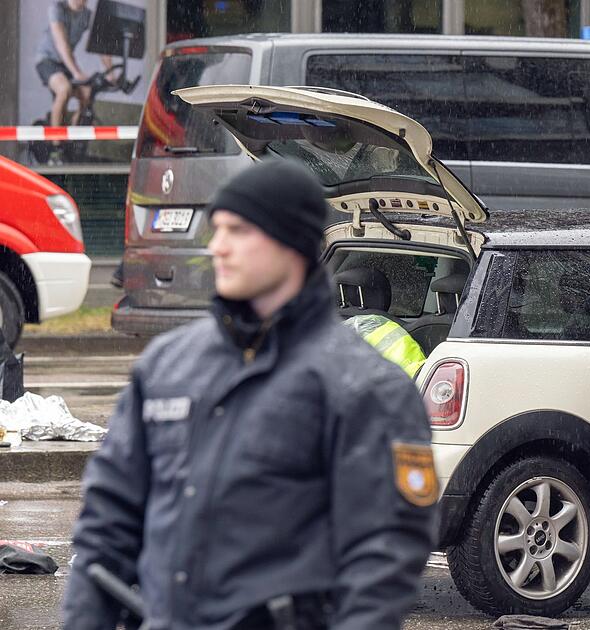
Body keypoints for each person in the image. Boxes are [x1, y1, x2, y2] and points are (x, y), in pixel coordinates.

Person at [63, 160, 437, 629]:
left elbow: (384, 558)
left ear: (291, 243)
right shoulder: (167, 366)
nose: (217, 247)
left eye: (238, 231)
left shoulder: (365, 389)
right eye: (217, 230)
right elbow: (106, 523)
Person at [35, 0, 114, 162]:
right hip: (47, 61)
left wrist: (110, 71)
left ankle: (71, 136)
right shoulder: (57, 10)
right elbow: (62, 45)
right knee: (64, 90)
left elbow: (101, 44)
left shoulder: (87, 15)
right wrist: (77, 73)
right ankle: (55, 148)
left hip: (65, 64)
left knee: (86, 93)